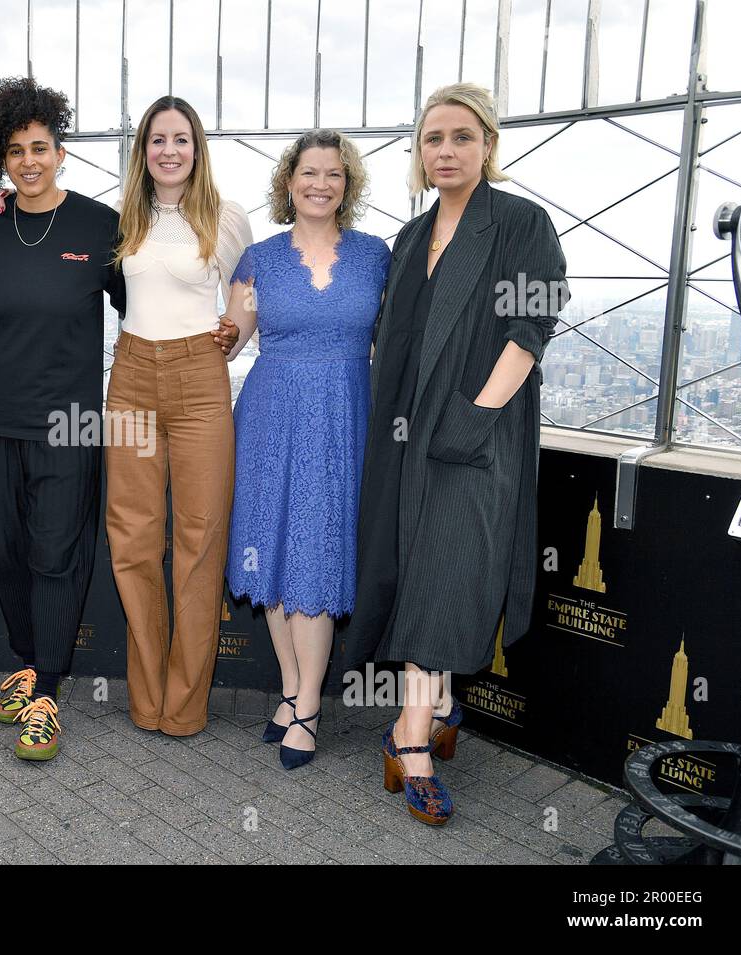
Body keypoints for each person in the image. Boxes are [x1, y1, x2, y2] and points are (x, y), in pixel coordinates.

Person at [344, 83, 567, 825]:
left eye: (462, 136)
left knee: (445, 575)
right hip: (404, 437)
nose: (446, 150)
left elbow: (531, 329)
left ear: (488, 145)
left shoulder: (521, 222)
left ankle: (408, 739)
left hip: (474, 430)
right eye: (433, 138)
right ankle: (435, 707)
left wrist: (476, 418)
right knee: (416, 570)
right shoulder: (410, 237)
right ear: (419, 151)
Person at [0, 77, 125, 761]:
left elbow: (143, 307)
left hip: (70, 426)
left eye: (40, 147)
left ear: (60, 151)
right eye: (16, 150)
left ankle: (47, 690)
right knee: (8, 551)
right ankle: (27, 661)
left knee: (58, 554)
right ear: (2, 157)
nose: (29, 161)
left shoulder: (99, 225)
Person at [224, 129, 390, 770]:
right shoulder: (258, 260)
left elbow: (400, 337)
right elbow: (232, 337)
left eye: (333, 174)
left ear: (348, 185)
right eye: (309, 173)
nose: (320, 184)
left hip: (343, 417)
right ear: (288, 182)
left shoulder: (376, 257)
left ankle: (308, 706)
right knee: (271, 551)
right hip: (270, 416)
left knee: (316, 554)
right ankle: (293, 693)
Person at [105, 96, 248, 737]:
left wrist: (233, 335)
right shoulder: (122, 215)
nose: (169, 150)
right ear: (144, 149)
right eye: (158, 139)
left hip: (199, 381)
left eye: (181, 139)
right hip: (131, 378)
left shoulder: (226, 216)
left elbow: (247, 294)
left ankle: (185, 706)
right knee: (133, 539)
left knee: (199, 540)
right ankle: (147, 700)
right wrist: (2, 200)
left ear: (197, 149)